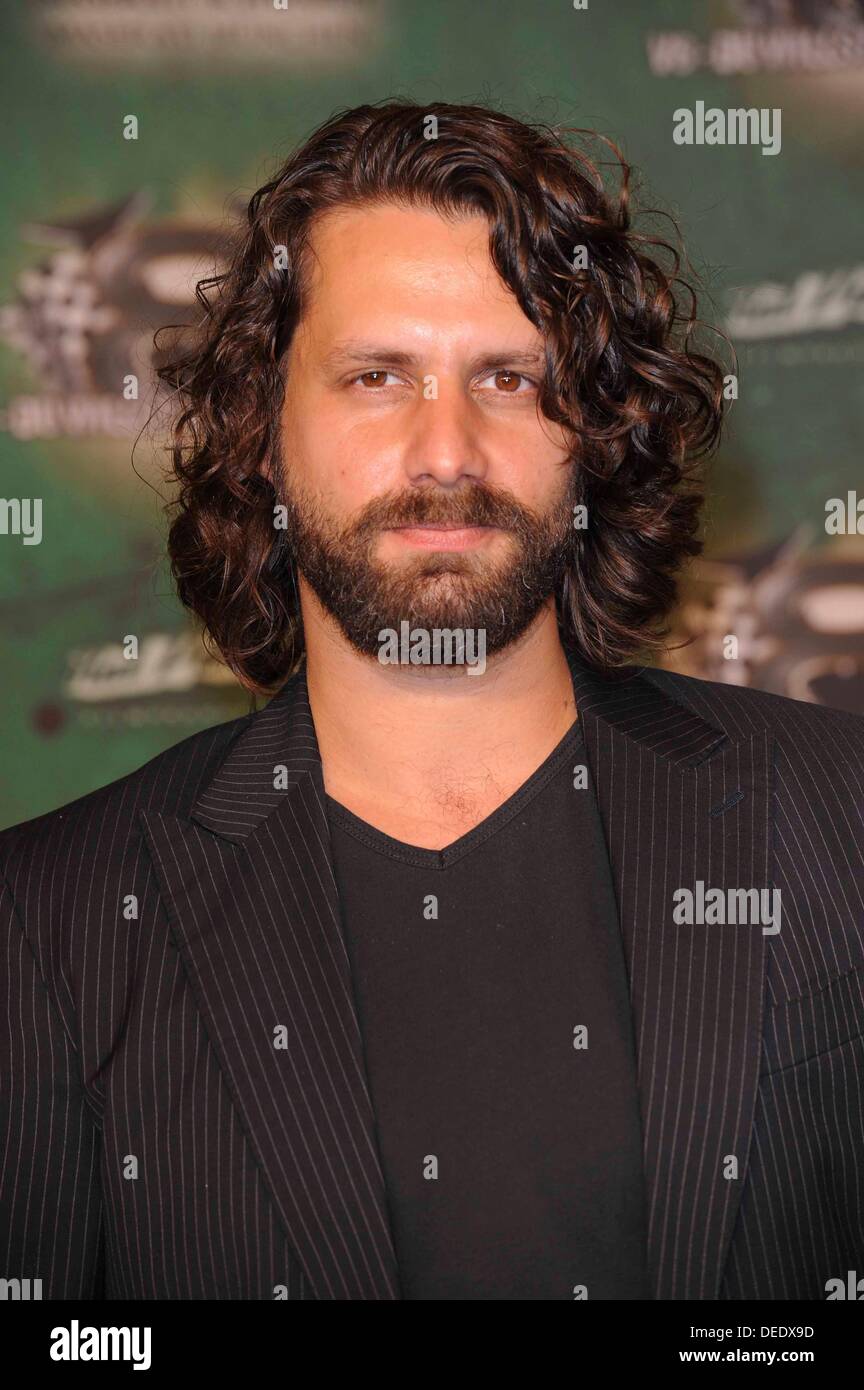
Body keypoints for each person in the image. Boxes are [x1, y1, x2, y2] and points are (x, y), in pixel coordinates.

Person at [2, 100, 863, 1302]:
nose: (446, 450)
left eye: (510, 378)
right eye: (376, 376)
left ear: (592, 434)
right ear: (263, 433)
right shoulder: (51, 924)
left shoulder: (837, 816)